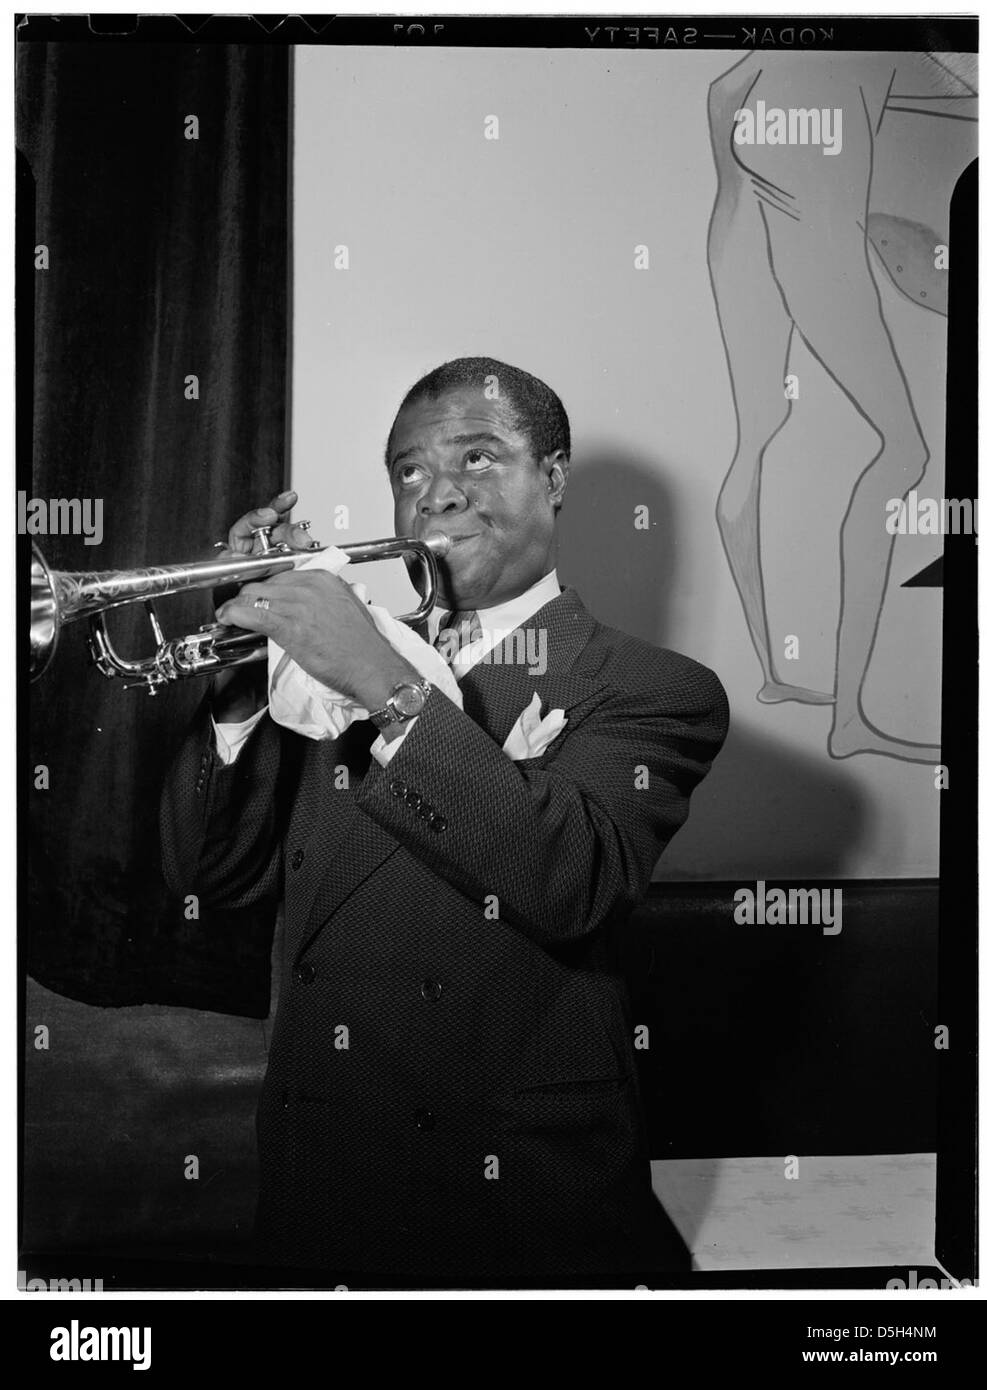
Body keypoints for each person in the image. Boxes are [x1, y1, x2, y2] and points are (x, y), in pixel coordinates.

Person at [160, 357, 729, 1287]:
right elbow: (209, 876)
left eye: (477, 457)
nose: (437, 494)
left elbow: (572, 880)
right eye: (409, 470)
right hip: (321, 1175)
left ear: (552, 478)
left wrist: (383, 684)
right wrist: (240, 671)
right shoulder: (334, 668)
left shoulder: (651, 687)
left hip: (510, 1192)